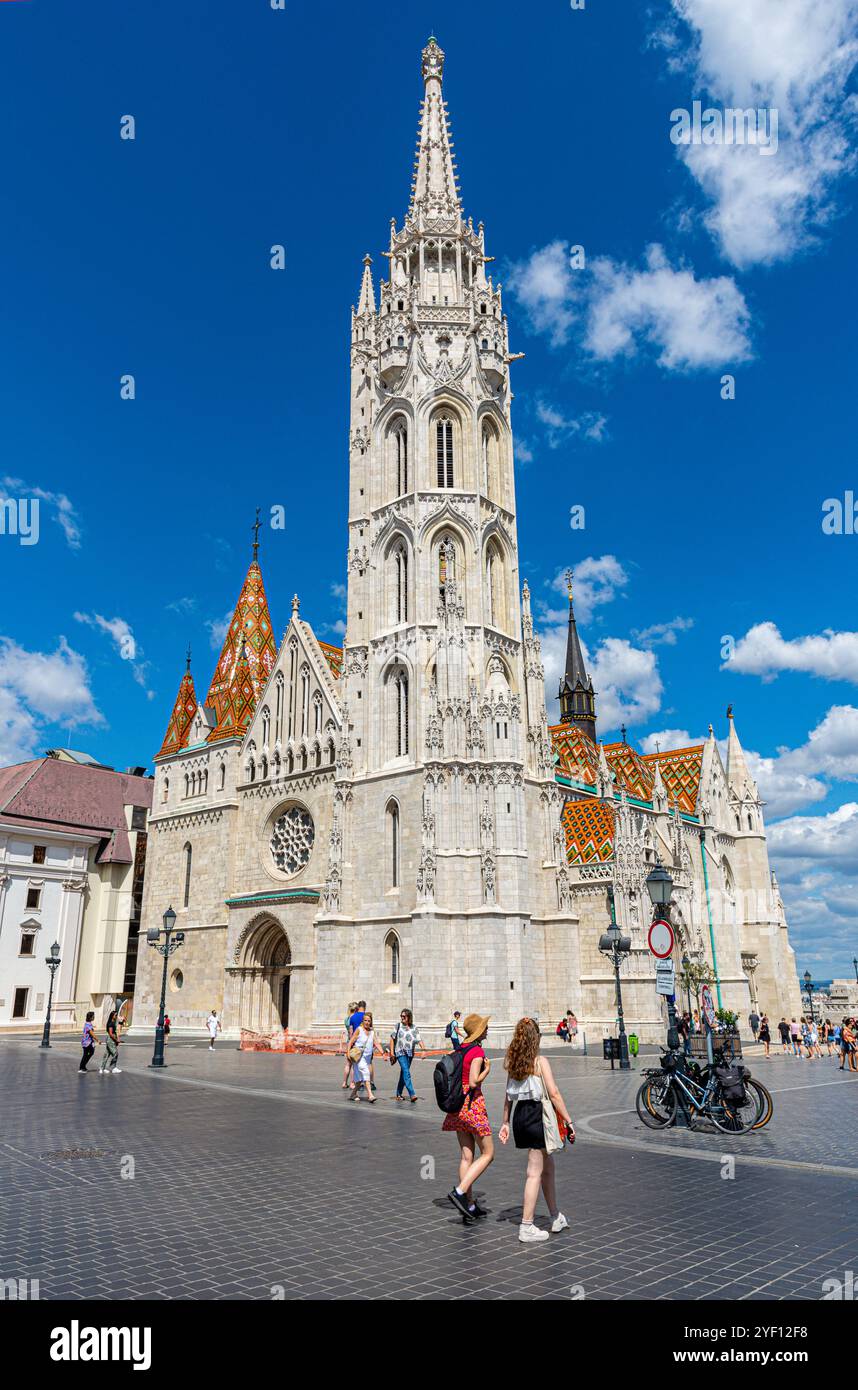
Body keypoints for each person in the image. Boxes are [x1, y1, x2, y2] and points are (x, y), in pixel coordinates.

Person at [499, 1017, 574, 1243]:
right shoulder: (540, 1062)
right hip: (536, 1117)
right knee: (534, 1172)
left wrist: (505, 1122)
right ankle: (526, 1226)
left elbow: (508, 1096)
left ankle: (555, 1216)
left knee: (547, 1166)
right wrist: (569, 1121)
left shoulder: (514, 1063)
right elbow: (554, 1094)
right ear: (536, 1039)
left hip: (521, 1117)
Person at [444, 1013, 494, 1221]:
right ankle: (460, 1191)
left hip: (457, 1106)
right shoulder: (476, 1051)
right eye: (485, 1027)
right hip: (472, 1105)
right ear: (479, 1032)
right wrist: (487, 1070)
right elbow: (474, 1082)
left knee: (466, 1156)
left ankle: (469, 1205)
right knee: (488, 1153)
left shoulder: (461, 1048)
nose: (487, 1030)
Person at [348, 1010, 386, 1101]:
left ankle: (353, 1094)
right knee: (366, 1073)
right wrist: (347, 1053)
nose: (367, 1022)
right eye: (365, 1020)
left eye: (369, 1021)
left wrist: (383, 1053)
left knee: (360, 1080)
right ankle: (370, 1095)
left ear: (371, 1022)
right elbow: (350, 1042)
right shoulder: (359, 1030)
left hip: (367, 1058)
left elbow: (376, 1043)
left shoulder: (372, 1032)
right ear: (363, 1021)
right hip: (359, 1057)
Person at [390, 1008, 426, 1102]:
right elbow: (392, 1038)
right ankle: (412, 1094)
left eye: (404, 1016)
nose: (402, 1018)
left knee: (403, 1073)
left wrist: (423, 1050)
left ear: (409, 1017)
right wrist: (392, 1052)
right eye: (401, 1016)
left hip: (410, 1053)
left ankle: (398, 1093)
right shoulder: (398, 1026)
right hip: (400, 1052)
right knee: (406, 1072)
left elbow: (419, 1039)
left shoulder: (414, 1027)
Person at [99, 1010, 121, 1074]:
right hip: (110, 1040)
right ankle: (113, 1068)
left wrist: (117, 1039)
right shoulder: (110, 1023)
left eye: (116, 1015)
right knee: (115, 1053)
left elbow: (114, 1032)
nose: (116, 1016)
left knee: (107, 1054)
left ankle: (102, 1068)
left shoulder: (113, 1022)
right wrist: (116, 1040)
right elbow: (111, 1033)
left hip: (111, 1039)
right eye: (115, 1015)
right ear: (112, 1016)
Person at [342, 1001, 358, 1088]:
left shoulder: (346, 1019)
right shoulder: (354, 1019)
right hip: (353, 1042)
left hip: (348, 1041)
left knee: (348, 1064)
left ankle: (344, 1082)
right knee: (354, 1064)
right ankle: (352, 1083)